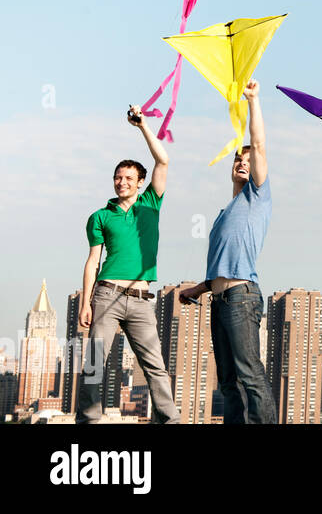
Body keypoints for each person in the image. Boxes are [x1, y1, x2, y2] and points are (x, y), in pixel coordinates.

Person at [178, 81, 278, 423]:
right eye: (237, 158)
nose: (241, 163)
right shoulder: (227, 212)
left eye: (247, 160)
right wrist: (198, 289)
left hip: (241, 297)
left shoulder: (257, 197)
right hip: (219, 300)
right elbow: (222, 265)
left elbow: (260, 145)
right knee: (227, 382)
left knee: (250, 376)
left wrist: (253, 101)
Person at [77, 105, 180, 424]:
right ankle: (88, 420)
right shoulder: (100, 217)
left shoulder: (151, 203)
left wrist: (143, 126)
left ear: (140, 182)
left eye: (128, 178)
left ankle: (170, 420)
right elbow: (93, 261)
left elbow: (163, 159)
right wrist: (85, 303)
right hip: (107, 295)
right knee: (95, 364)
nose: (122, 182)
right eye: (118, 177)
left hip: (141, 302)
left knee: (155, 366)